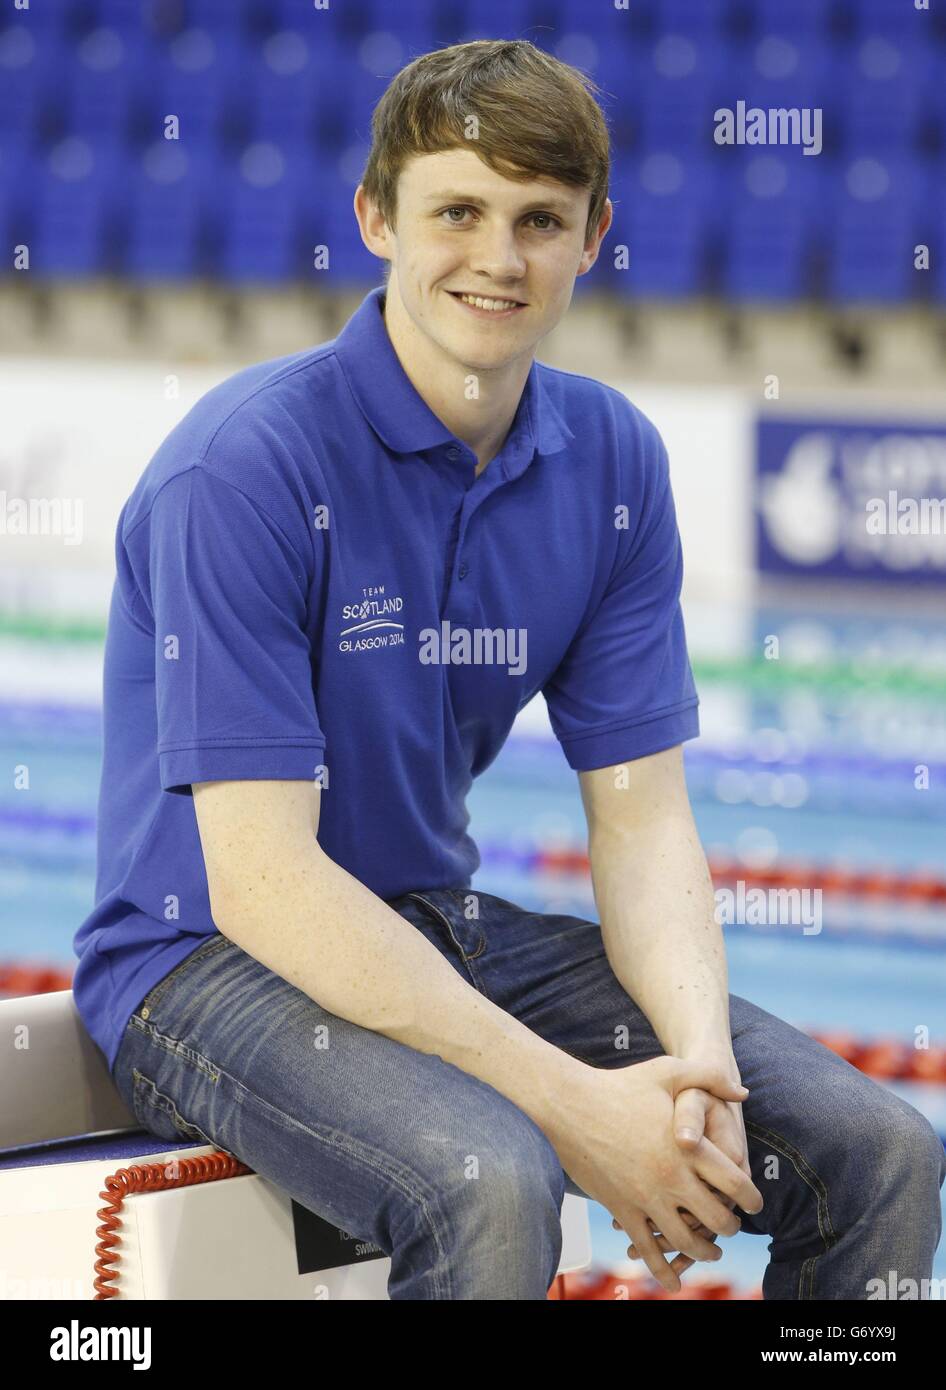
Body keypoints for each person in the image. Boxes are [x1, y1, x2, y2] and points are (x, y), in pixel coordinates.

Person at [73, 39, 945, 1300]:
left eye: (541, 219)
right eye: (458, 212)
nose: (499, 258)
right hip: (199, 960)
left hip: (442, 926)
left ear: (593, 238)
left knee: (880, 1149)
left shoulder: (611, 463)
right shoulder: (246, 470)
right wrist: (577, 1106)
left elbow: (642, 824)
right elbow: (262, 882)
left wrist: (696, 1075)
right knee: (489, 1178)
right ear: (375, 218)